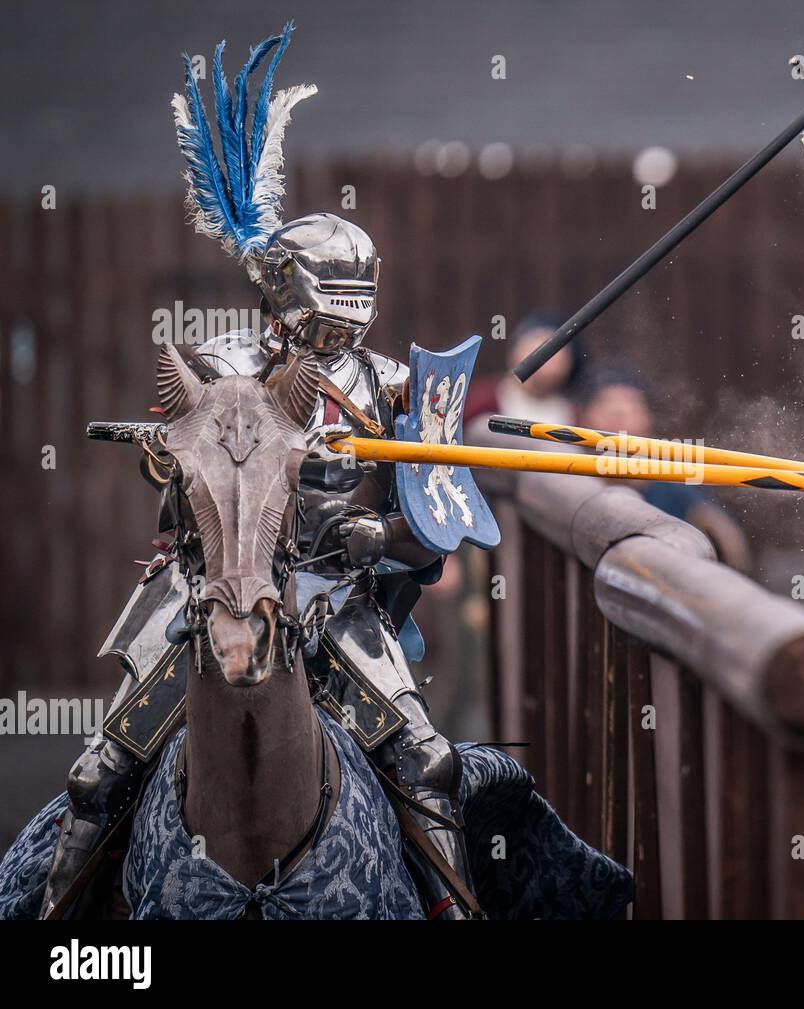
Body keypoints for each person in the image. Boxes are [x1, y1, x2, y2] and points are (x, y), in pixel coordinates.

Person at [42, 24, 475, 919]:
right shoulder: (221, 370)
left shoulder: (392, 384)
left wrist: (376, 533)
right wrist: (172, 459)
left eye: (351, 322)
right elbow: (178, 486)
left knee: (426, 760)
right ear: (284, 303)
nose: (340, 340)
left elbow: (433, 512)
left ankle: (453, 908)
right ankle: (62, 926)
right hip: (214, 588)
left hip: (335, 591)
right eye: (326, 322)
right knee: (100, 770)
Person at [578, 370, 752, 572]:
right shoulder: (566, 471)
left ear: (648, 417)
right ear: (582, 415)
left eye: (631, 404)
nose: (618, 413)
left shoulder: (677, 479)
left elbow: (731, 548)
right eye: (604, 403)